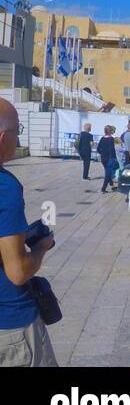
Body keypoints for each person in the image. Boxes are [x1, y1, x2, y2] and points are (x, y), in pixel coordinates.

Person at [0, 98, 58, 367]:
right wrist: (40, 247)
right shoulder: (5, 187)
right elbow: (18, 271)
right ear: (3, 137)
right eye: (17, 131)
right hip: (11, 325)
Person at [97, 125, 119, 194]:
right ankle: (103, 188)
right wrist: (115, 157)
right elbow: (112, 150)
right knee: (108, 174)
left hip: (103, 158)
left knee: (107, 172)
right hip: (110, 158)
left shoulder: (102, 138)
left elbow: (98, 149)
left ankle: (112, 185)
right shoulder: (111, 139)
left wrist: (102, 153)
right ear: (110, 131)